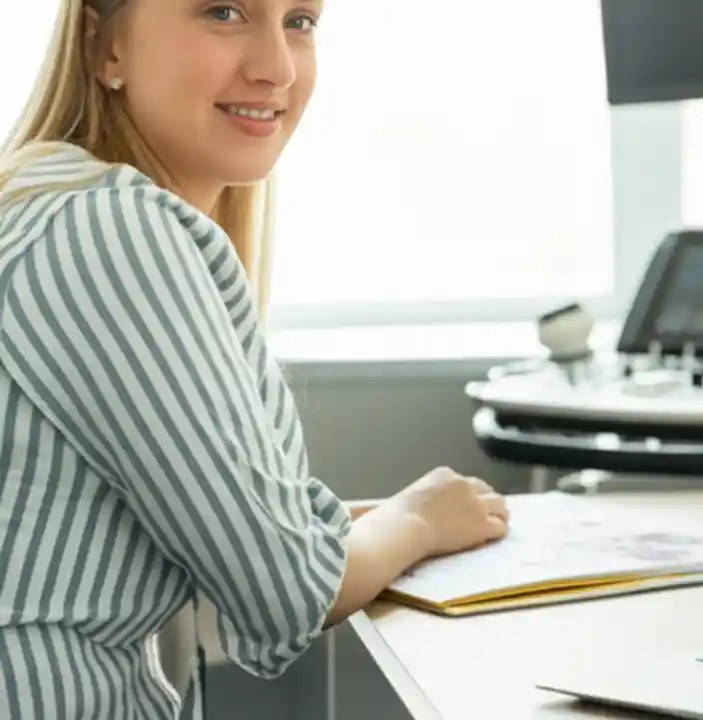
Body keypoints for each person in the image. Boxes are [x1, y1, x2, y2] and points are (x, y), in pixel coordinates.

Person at [0, 1, 511, 717]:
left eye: (299, 21)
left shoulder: (54, 203)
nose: (276, 68)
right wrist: (421, 519)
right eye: (224, 12)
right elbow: (288, 590)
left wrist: (391, 518)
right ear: (103, 45)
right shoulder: (114, 230)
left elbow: (246, 524)